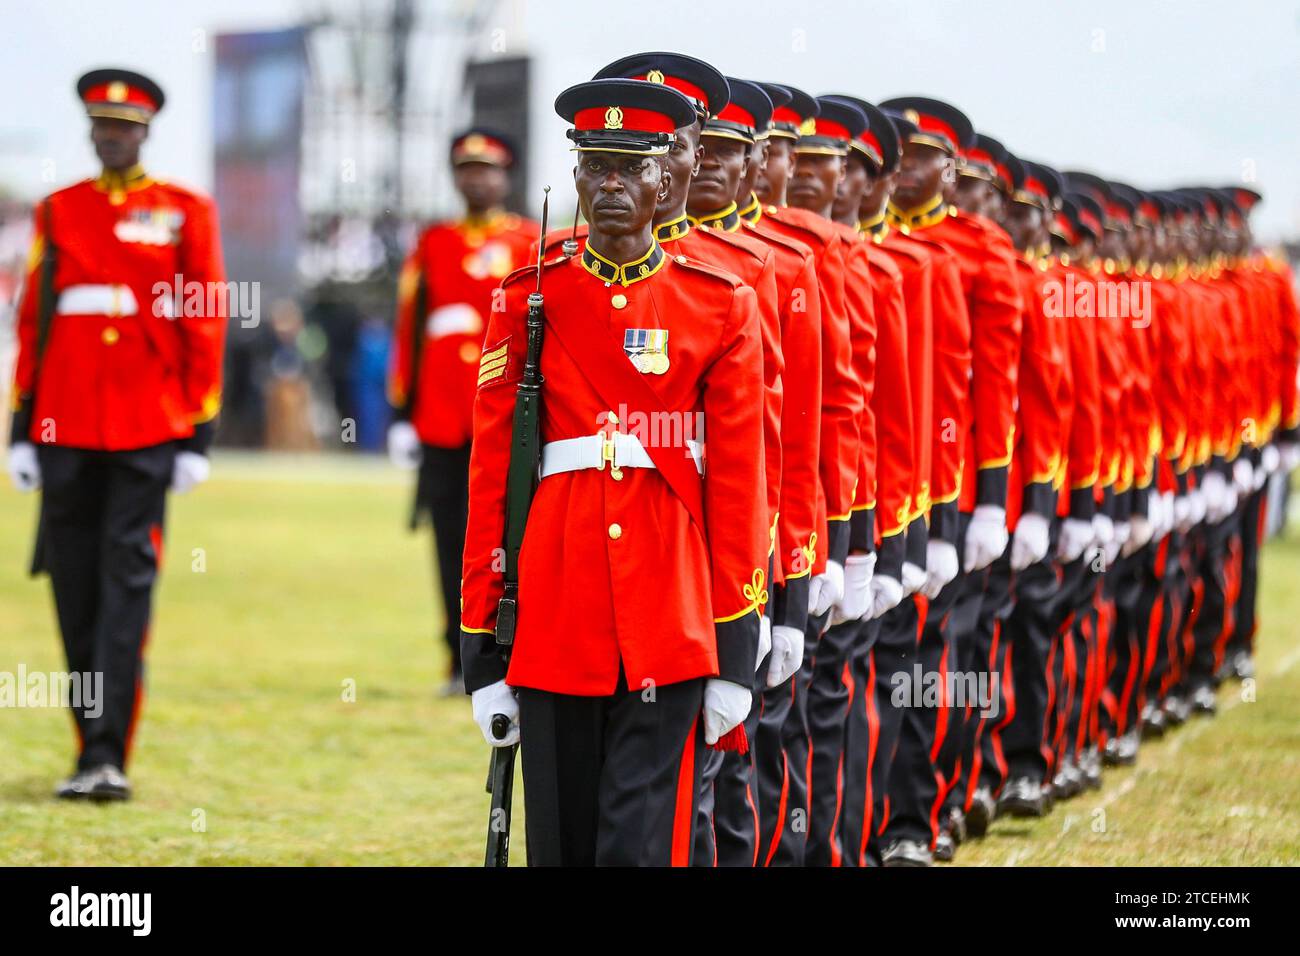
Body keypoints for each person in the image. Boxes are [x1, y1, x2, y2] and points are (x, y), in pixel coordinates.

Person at [459, 78, 767, 866]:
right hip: (556, 610)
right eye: (595, 167)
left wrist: (734, 649)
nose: (611, 186)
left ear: (670, 180)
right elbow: (493, 474)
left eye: (632, 169)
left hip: (670, 614)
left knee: (640, 845)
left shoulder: (720, 305)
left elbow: (738, 486)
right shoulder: (531, 297)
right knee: (558, 840)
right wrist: (481, 647)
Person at [5, 68, 227, 801]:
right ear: (90, 129)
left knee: (125, 592)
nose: (113, 135)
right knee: (73, 589)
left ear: (146, 132)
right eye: (102, 123)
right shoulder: (59, 210)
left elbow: (203, 316)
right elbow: (35, 319)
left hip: (146, 424)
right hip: (66, 424)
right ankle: (86, 744)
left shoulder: (184, 210)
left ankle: (106, 753)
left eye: (126, 125)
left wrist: (198, 430)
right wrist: (22, 425)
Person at [386, 128, 537, 696]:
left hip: (505, 419)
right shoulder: (433, 242)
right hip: (443, 418)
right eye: (466, 169)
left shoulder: (528, 240)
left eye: (488, 169)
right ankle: (457, 654)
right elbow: (411, 326)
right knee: (451, 540)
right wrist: (403, 407)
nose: (477, 179)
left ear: (505, 177)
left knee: (512, 539)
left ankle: (513, 651)